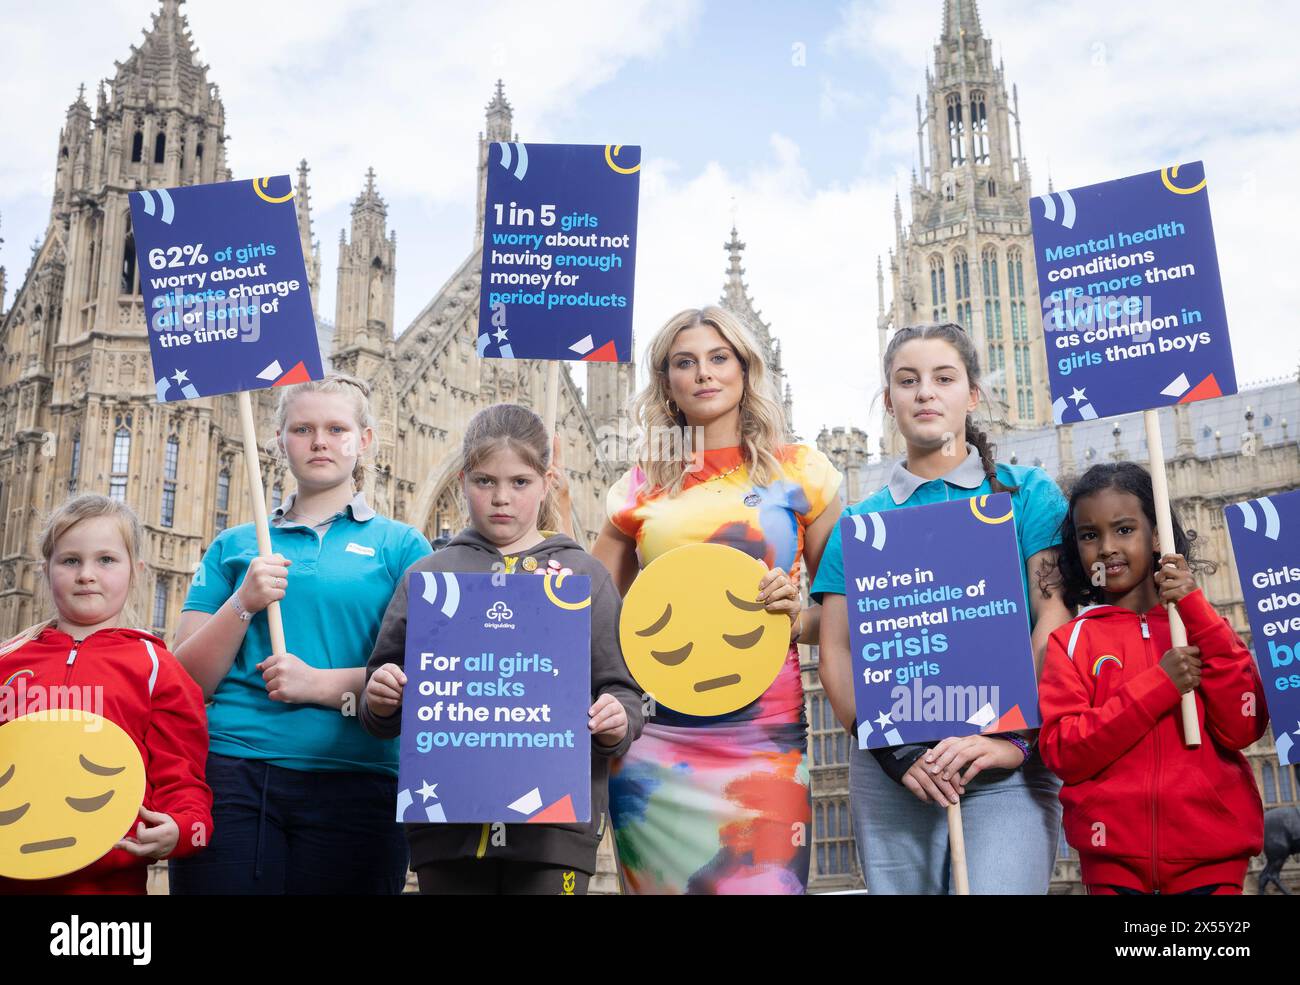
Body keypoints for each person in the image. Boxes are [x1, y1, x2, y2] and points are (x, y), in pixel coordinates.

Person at [814, 322, 1073, 893]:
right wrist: (897, 754)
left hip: (1006, 761)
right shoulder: (861, 522)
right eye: (908, 381)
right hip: (896, 775)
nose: (925, 392)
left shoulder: (1026, 493)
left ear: (972, 395)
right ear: (890, 401)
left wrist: (1013, 737)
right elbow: (836, 650)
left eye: (943, 378)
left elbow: (1052, 618)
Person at [593, 305, 844, 894]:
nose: (704, 373)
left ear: (744, 370)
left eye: (718, 357)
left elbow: (849, 611)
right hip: (657, 742)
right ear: (668, 382)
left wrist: (794, 618)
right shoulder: (639, 486)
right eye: (686, 362)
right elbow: (594, 611)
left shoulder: (802, 473)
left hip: (765, 739)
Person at [361, 402, 642, 895]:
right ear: (464, 477)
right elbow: (381, 689)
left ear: (547, 481)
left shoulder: (583, 578)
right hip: (448, 831)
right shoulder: (429, 577)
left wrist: (615, 720)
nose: (500, 499)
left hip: (552, 836)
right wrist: (380, 697)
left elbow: (622, 690)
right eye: (485, 481)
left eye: (519, 483)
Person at [169, 375, 431, 894]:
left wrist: (318, 685)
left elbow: (428, 675)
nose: (319, 441)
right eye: (303, 428)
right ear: (278, 439)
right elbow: (187, 682)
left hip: (357, 778)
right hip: (234, 772)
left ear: (365, 440)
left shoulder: (402, 546)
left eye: (337, 428)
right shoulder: (236, 544)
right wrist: (242, 603)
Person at [1037, 462, 1267, 894]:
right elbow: (1064, 752)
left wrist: (1195, 608)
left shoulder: (1202, 627)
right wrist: (1160, 686)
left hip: (1211, 854)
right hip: (1112, 858)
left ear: (1157, 534)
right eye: (1089, 535)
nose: (1106, 548)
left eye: (1124, 529)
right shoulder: (1071, 642)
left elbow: (1243, 726)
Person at [0, 495, 211, 894]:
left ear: (137, 572)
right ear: (46, 570)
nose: (86, 574)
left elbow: (182, 776)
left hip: (108, 885)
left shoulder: (156, 668)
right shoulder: (7, 661)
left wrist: (182, 829)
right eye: (70, 561)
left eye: (106, 560)